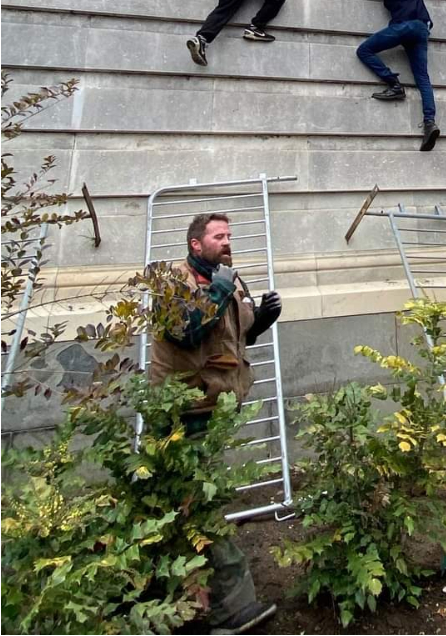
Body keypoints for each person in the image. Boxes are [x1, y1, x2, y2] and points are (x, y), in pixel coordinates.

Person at [148, 212, 281, 633]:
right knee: (198, 506)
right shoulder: (172, 282)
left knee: (182, 504)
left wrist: (258, 321)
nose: (227, 241)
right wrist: (220, 293)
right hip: (181, 412)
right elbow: (184, 332)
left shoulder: (227, 280)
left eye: (229, 235)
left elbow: (229, 338)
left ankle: (178, 600)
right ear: (195, 244)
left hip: (213, 408)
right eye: (218, 236)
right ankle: (231, 606)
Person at [359, 0, 440, 152]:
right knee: (423, 78)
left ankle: (393, 83)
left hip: (402, 25)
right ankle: (429, 122)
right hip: (422, 27)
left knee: (364, 50)